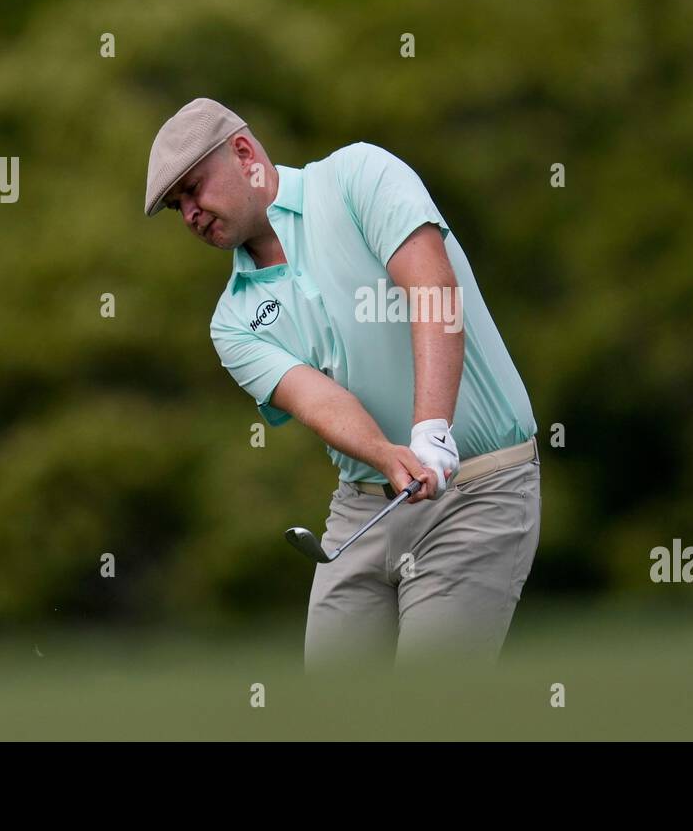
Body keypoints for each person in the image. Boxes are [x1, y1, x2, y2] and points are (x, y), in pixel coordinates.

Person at [145, 97, 540, 667]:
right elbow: (318, 399)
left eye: (194, 187)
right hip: (363, 513)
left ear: (243, 152)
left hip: (479, 491)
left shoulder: (358, 176)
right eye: (177, 204)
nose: (190, 213)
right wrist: (388, 454)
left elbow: (433, 289)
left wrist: (432, 429)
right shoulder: (233, 319)